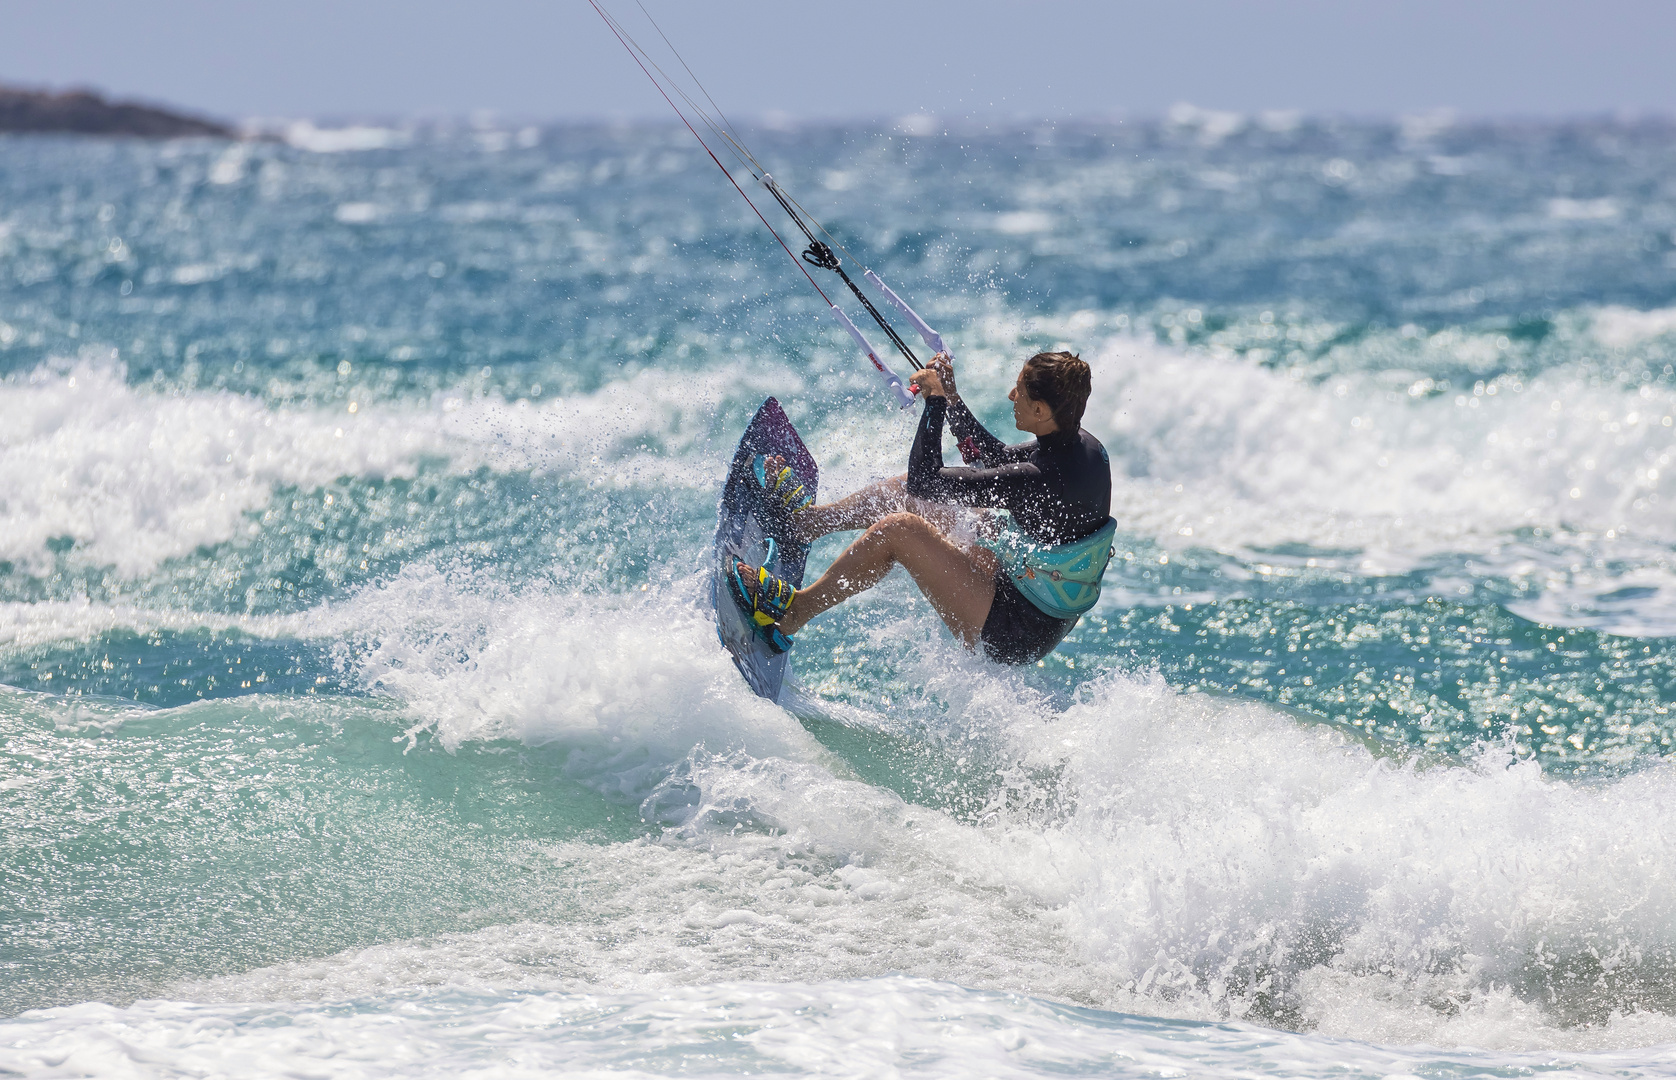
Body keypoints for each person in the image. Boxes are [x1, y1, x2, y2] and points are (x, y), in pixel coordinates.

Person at [727, 350, 1113, 665]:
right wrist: (953, 397)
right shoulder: (1079, 444)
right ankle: (805, 525)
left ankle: (793, 613)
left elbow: (930, 480)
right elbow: (992, 460)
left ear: (1042, 411)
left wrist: (936, 404)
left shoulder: (1039, 477)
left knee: (900, 528)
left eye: (1021, 393)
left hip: (1016, 628)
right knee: (903, 493)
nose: (1012, 398)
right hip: (1020, 578)